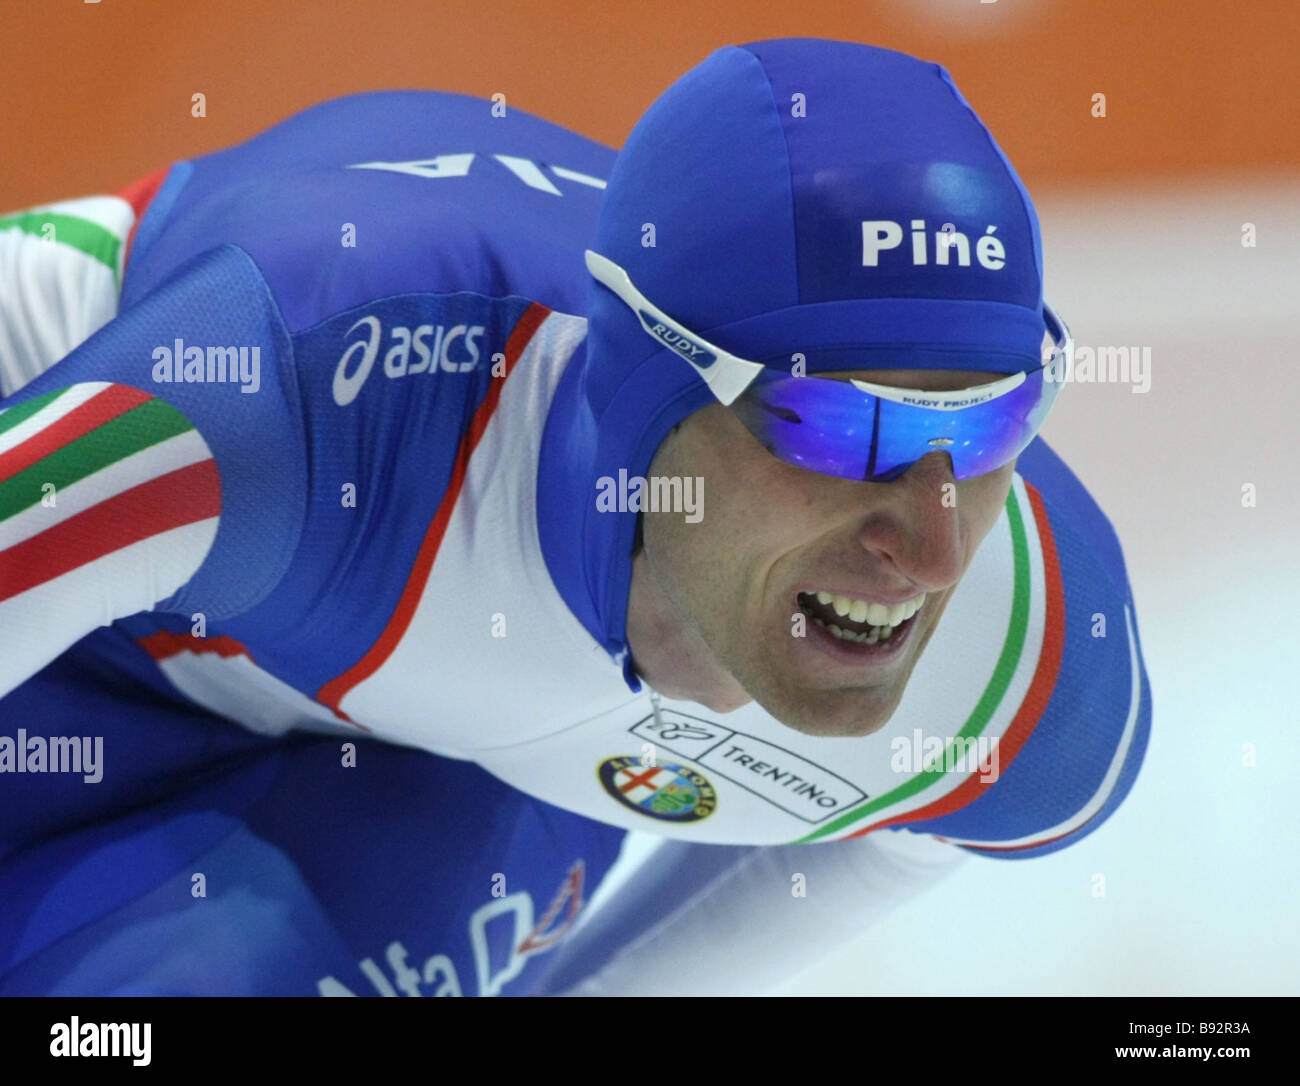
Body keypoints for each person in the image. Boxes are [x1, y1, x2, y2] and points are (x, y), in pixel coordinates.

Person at [0, 38, 1150, 996]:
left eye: (994, 427)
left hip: (418, 775)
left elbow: (916, 832)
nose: (935, 549)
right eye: (844, 432)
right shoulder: (293, 394)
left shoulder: (1034, 678)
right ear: (642, 384)